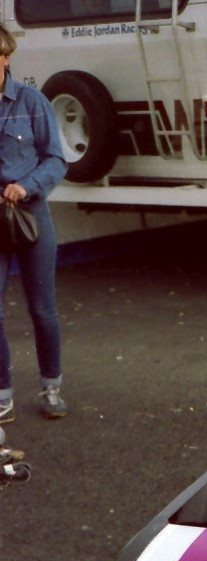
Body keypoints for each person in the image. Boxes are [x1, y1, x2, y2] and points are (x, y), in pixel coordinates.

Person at [0, 23, 67, 424]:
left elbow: (56, 159)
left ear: (5, 59)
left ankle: (51, 388)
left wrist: (25, 187)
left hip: (31, 218)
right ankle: (2, 394)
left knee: (42, 309)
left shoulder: (32, 102)